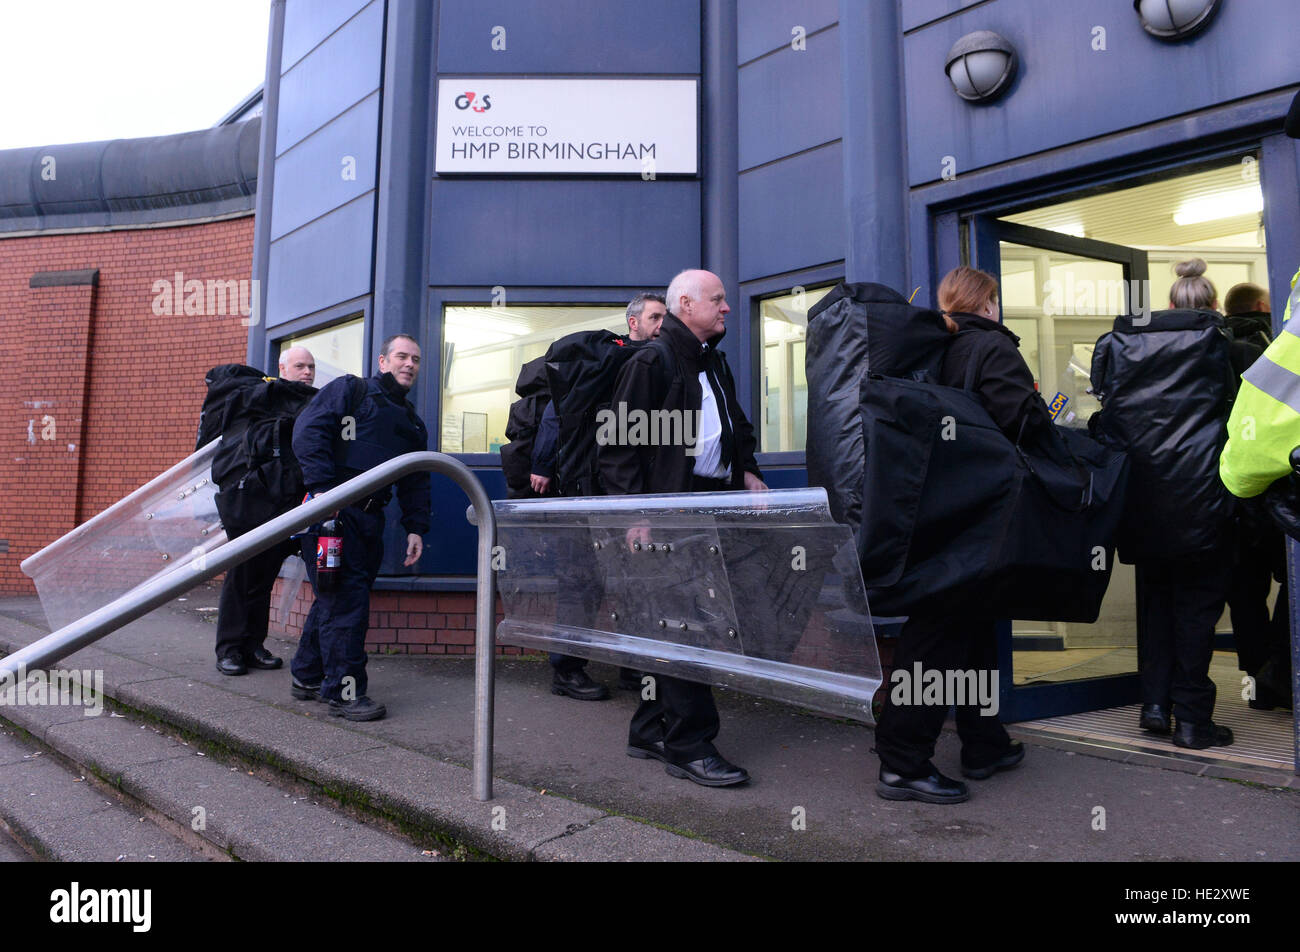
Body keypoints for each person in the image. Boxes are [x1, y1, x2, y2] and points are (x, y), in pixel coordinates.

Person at [599, 269, 766, 787]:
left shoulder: (709, 361)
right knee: (688, 626)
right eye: (717, 300)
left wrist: (746, 470)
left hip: (705, 504)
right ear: (686, 304)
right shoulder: (654, 359)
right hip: (667, 511)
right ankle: (689, 746)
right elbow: (619, 444)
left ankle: (650, 729)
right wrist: (635, 512)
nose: (727, 307)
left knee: (671, 623)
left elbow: (730, 429)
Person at [873, 267, 1029, 805]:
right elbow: (1021, 421)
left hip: (931, 507)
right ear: (986, 304)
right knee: (937, 635)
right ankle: (901, 763)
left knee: (973, 630)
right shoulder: (991, 349)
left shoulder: (936, 349)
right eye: (996, 302)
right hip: (978, 513)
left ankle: (985, 743)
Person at [1092, 258, 1237, 748]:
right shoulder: (1225, 348)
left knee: (1155, 605)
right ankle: (1194, 719)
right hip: (1204, 506)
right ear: (1213, 306)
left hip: (1143, 506)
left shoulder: (1122, 347)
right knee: (1196, 612)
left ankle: (1155, 705)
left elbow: (1105, 415)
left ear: (1171, 304)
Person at [289, 334, 431, 721]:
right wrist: (322, 492)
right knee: (346, 604)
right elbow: (308, 431)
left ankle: (305, 676)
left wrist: (416, 527)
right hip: (330, 521)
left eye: (415, 359)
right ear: (383, 361)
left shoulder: (411, 423)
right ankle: (344, 693)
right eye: (401, 356)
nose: (409, 364)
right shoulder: (350, 390)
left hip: (369, 523)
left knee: (336, 600)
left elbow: (415, 479)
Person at [537, 292, 667, 701]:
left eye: (666, 317)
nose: (662, 324)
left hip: (623, 490)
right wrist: (542, 463)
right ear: (634, 323)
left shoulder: (656, 364)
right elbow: (556, 413)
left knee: (635, 583)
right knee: (582, 582)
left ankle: (634, 669)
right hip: (587, 489)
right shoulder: (610, 359)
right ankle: (566, 670)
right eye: (655, 317)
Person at [212, 346, 317, 676]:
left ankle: (253, 645)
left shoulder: (301, 403)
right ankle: (229, 649)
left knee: (265, 573)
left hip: (281, 500)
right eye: (300, 366)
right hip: (249, 499)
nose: (307, 372)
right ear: (282, 368)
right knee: (242, 573)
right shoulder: (260, 396)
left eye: (311, 366)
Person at [1220, 284, 1292, 710]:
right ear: (1264, 307)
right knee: (1291, 582)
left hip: (1230, 486)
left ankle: (1258, 681)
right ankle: (1281, 673)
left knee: (1245, 590)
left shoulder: (1213, 348)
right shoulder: (1276, 344)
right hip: (1276, 488)